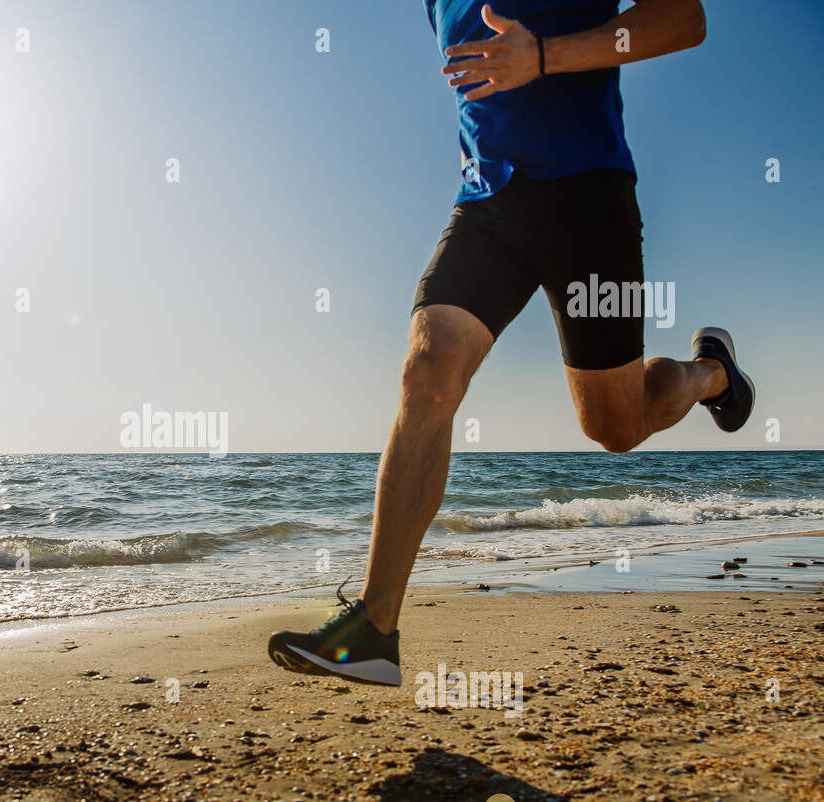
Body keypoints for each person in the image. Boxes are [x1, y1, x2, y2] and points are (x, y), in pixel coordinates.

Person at [268, 0, 753, 686]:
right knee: (427, 370)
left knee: (616, 425)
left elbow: (684, 20)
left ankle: (712, 374)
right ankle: (374, 631)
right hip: (486, 203)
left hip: (588, 198)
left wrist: (544, 55)